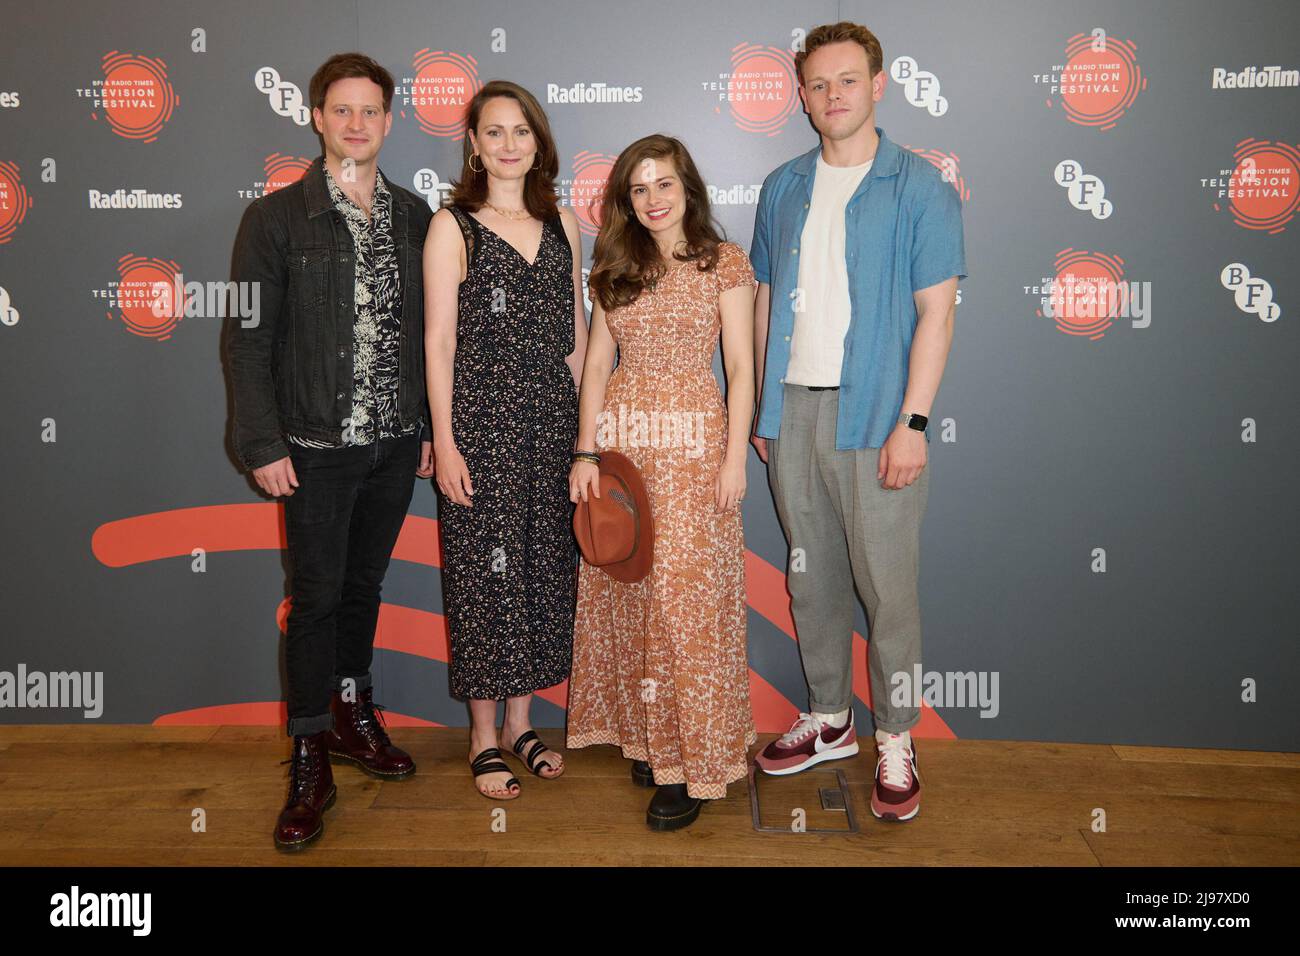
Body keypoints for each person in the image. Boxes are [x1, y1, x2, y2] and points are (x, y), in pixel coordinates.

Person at [749, 21, 967, 823]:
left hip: (879, 414)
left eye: (847, 80)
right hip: (795, 413)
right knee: (811, 579)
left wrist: (914, 421)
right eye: (817, 84)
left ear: (880, 83)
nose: (832, 96)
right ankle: (831, 717)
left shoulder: (921, 188)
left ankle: (897, 737)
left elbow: (936, 314)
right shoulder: (783, 187)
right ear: (801, 96)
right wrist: (767, 409)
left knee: (889, 593)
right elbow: (769, 297)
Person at [227, 52, 435, 851]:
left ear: (389, 121)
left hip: (391, 445)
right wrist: (261, 440)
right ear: (317, 117)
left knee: (363, 587)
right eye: (340, 110)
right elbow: (246, 340)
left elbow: (431, 335)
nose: (356, 124)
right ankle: (309, 751)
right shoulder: (275, 219)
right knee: (313, 599)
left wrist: (422, 425)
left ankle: (353, 712)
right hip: (313, 446)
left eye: (370, 111)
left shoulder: (418, 217)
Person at [566, 134, 757, 831]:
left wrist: (734, 458)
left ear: (688, 189)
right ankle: (650, 739)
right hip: (624, 442)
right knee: (632, 592)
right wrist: (585, 452)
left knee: (685, 603)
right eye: (639, 188)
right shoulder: (614, 265)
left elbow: (740, 367)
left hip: (695, 444)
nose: (652, 200)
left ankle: (697, 762)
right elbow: (594, 365)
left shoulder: (724, 262)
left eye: (664, 185)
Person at [423, 81, 588, 800]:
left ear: (538, 141)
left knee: (543, 572)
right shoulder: (451, 226)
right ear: (474, 144)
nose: (509, 144)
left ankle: (524, 725)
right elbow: (437, 343)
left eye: (521, 131)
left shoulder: (565, 224)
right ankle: (482, 736)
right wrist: (447, 443)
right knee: (485, 580)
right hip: (482, 425)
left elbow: (576, 339)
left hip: (552, 423)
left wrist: (588, 436)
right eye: (494, 132)